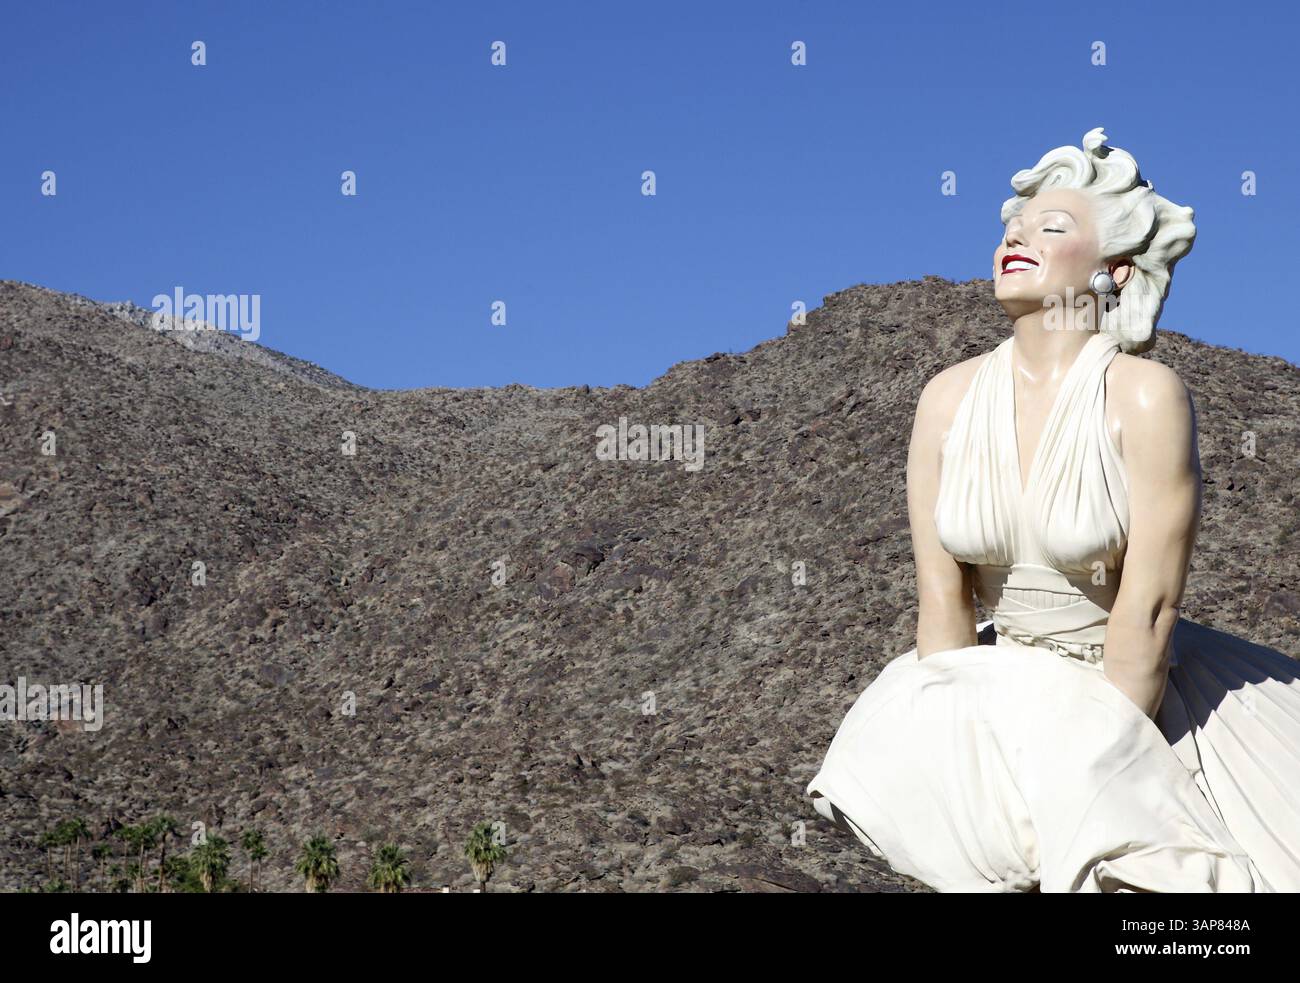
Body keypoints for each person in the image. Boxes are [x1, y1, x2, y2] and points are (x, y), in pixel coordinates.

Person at [805, 127, 1300, 893]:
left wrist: (1096, 771)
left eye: (1052, 228)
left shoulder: (1145, 397)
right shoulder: (946, 399)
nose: (1017, 239)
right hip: (994, 687)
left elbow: (1149, 611)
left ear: (1115, 267)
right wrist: (953, 760)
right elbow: (943, 606)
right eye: (1013, 228)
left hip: (1129, 694)